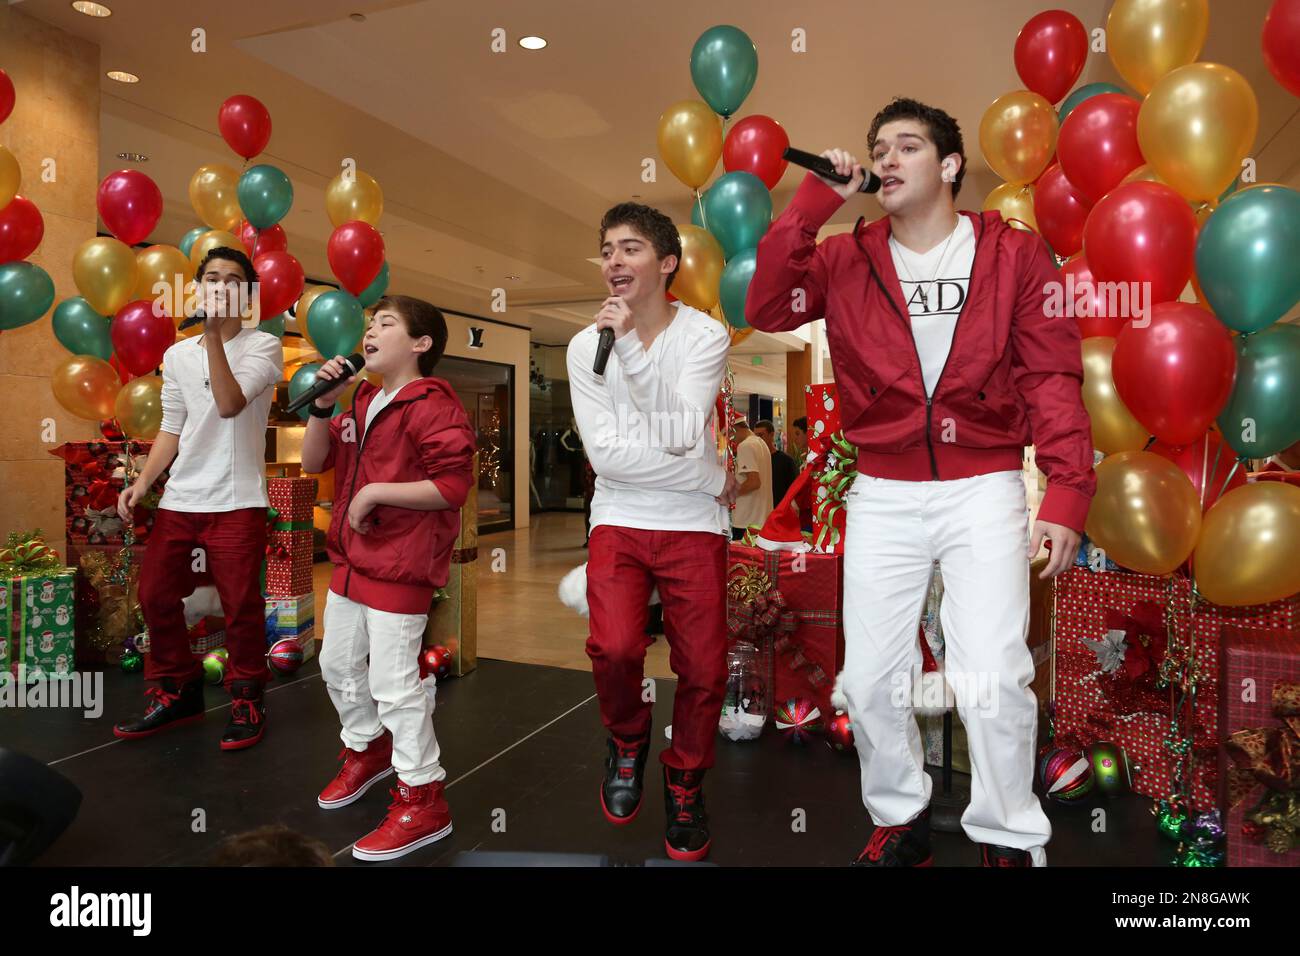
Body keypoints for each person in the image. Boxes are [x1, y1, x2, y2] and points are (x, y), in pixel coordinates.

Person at [748, 97, 1095, 867]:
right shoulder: (845, 256)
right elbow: (766, 303)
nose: (889, 158)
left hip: (985, 485)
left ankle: (1006, 834)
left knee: (995, 676)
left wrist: (1067, 492)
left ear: (950, 166)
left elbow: (1051, 375)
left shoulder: (1013, 253)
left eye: (909, 145)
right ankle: (900, 816)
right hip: (885, 489)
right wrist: (812, 207)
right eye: (880, 147)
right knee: (868, 679)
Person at [566, 202, 739, 861]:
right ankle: (628, 738)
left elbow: (673, 433)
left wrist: (634, 350)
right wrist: (703, 476)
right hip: (619, 518)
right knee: (613, 649)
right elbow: (608, 459)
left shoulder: (704, 337)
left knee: (703, 667)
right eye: (607, 248)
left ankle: (687, 778)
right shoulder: (587, 346)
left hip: (694, 530)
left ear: (667, 263)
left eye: (630, 248)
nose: (614, 259)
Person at [300, 294, 476, 862]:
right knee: (335, 663)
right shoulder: (365, 399)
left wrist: (376, 492)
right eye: (370, 323)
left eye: (386, 323)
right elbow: (311, 463)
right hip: (352, 561)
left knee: (396, 686)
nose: (369, 331)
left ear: (421, 344)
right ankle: (368, 749)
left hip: (400, 564)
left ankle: (423, 797)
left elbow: (452, 487)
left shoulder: (432, 404)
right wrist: (322, 405)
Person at [114, 247, 283, 750]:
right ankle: (177, 689)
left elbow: (230, 404)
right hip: (182, 498)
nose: (222, 286)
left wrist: (211, 335)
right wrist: (142, 484)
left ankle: (247, 697)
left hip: (237, 499)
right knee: (155, 596)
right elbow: (173, 427)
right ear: (199, 287)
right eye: (212, 278)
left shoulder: (264, 347)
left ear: (247, 294)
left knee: (240, 606)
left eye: (234, 280)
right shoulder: (176, 355)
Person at [730, 418, 773, 541]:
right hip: (761, 519)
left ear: (735, 429)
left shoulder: (745, 446)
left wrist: (730, 495)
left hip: (746, 521)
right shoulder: (761, 443)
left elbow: (754, 482)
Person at [753, 419, 797, 507]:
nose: (758, 440)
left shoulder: (786, 460)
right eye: (756, 436)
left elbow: (794, 488)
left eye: (761, 435)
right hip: (760, 509)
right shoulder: (755, 460)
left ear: (771, 435)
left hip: (780, 509)